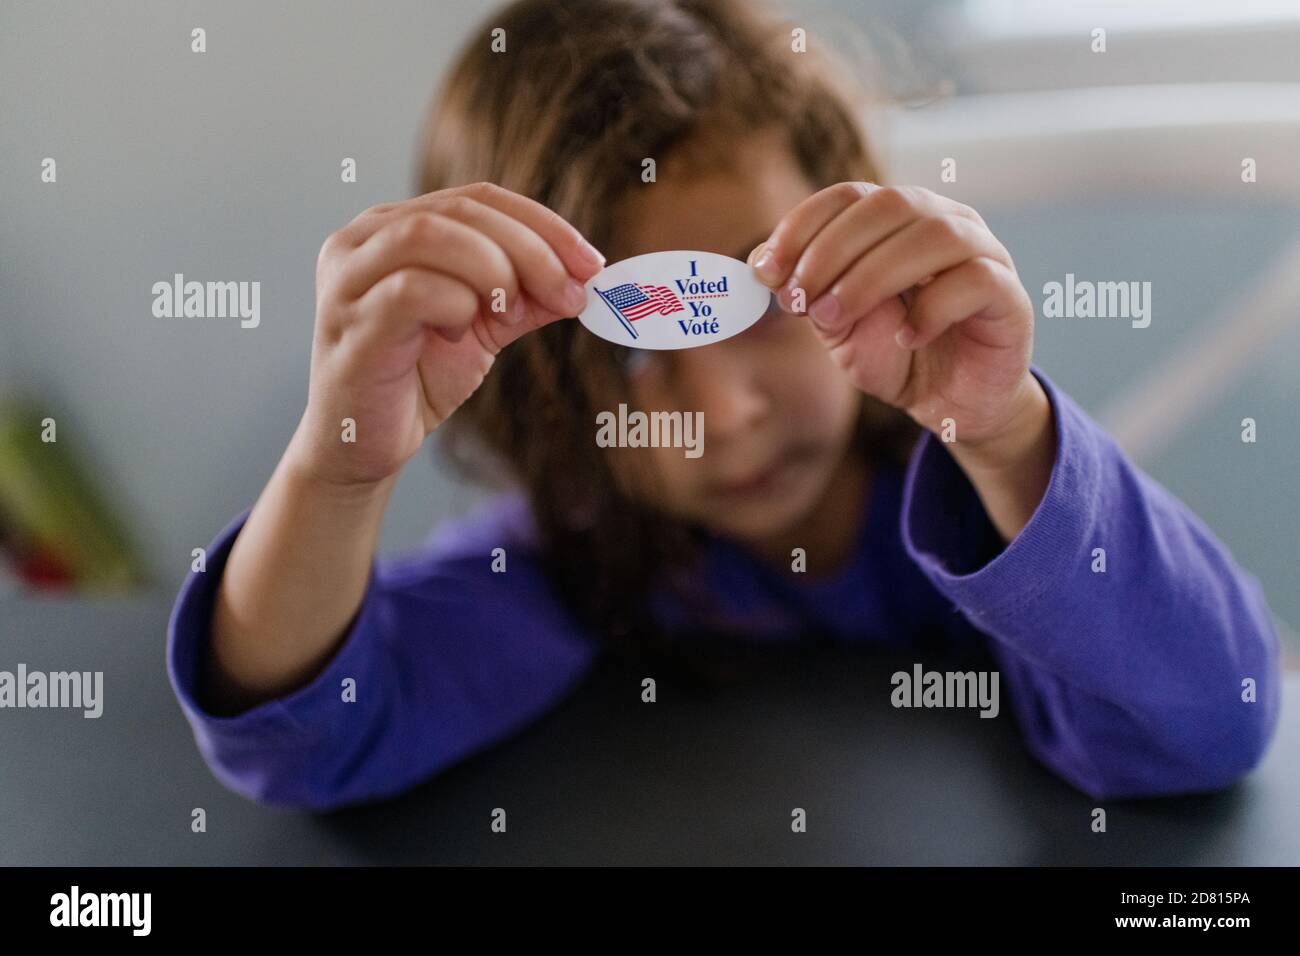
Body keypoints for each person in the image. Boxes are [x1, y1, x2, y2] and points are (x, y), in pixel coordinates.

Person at [166, 0, 1281, 812]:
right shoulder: (575, 569)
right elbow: (304, 743)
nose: (727, 410)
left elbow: (1210, 720)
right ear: (539, 375)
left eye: (754, 300)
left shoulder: (987, 492)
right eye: (634, 349)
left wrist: (1001, 433)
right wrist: (338, 468)